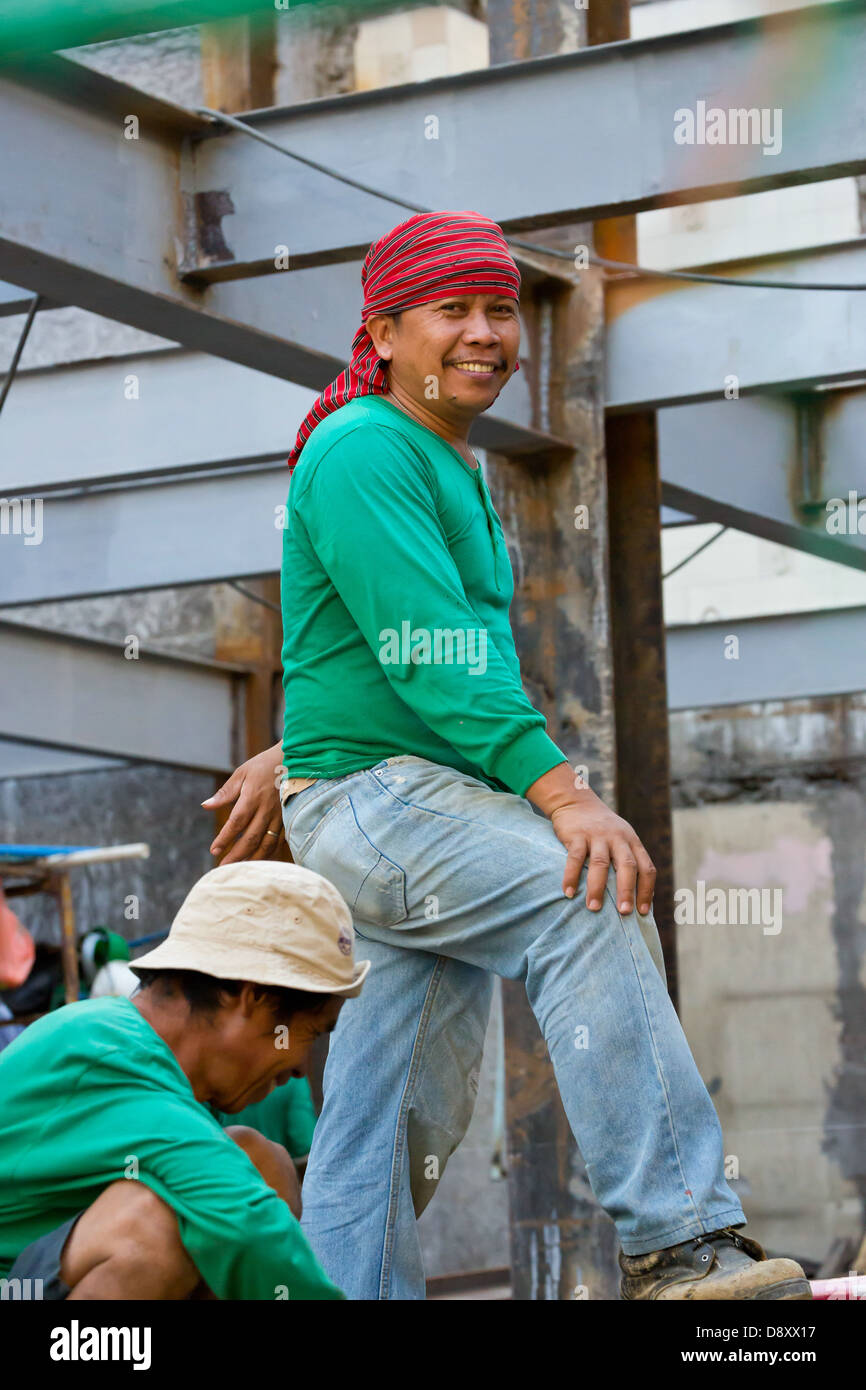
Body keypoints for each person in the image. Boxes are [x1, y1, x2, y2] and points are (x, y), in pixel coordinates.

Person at [203, 210, 810, 1303]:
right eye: (454, 310)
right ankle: (678, 1244)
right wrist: (562, 793)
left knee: (386, 1118)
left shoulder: (433, 458)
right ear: (382, 332)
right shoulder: (364, 448)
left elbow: (381, 649)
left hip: (395, 804)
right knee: (586, 893)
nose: (485, 332)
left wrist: (292, 745)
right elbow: (433, 655)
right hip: (389, 808)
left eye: (499, 309)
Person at [0, 860, 369, 1300]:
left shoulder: (142, 1058)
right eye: (310, 1034)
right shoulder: (103, 1050)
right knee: (157, 1228)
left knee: (259, 1160)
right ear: (252, 997)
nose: (300, 1066)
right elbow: (245, 1226)